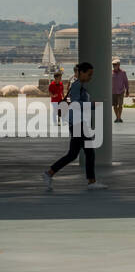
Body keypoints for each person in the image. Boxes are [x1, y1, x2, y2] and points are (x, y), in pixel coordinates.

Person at [43, 62, 103, 191]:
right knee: (89, 153)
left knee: (73, 154)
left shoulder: (78, 85)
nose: (90, 77)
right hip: (78, 123)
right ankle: (91, 182)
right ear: (81, 72)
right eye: (89, 74)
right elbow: (76, 104)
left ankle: (49, 173)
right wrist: (92, 105)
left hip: (77, 123)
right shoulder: (77, 86)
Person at [111, 58, 129, 123]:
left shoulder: (123, 73)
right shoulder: (110, 72)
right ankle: (117, 117)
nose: (114, 66)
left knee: (120, 105)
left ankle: (119, 117)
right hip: (113, 92)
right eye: (113, 65)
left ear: (119, 65)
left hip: (121, 91)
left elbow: (126, 82)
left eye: (115, 65)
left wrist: (127, 90)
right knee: (115, 105)